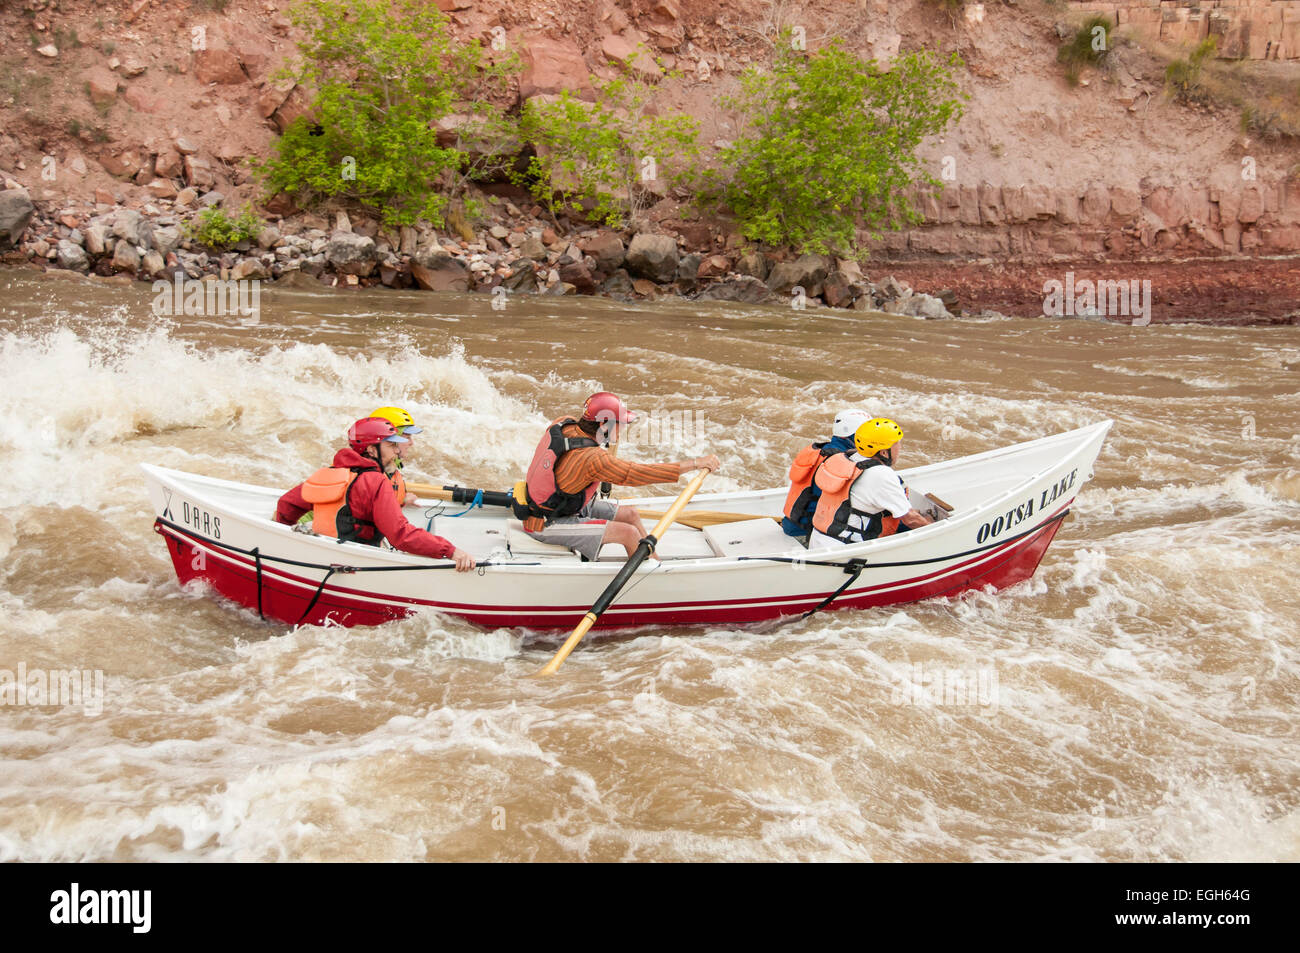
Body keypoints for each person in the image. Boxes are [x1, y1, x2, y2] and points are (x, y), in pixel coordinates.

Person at [514, 391, 720, 560]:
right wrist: (695, 464)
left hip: (558, 505)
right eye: (620, 423)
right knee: (628, 533)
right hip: (544, 525)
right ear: (604, 425)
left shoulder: (564, 424)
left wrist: (606, 436)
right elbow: (638, 474)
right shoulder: (593, 459)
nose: (623, 429)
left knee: (630, 514)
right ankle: (651, 581)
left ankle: (653, 560)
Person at [275, 416, 475, 571]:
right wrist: (450, 551)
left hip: (322, 559)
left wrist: (290, 541)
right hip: (356, 564)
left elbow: (286, 506)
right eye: (391, 445)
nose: (397, 451)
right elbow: (400, 535)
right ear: (371, 450)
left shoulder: (328, 473)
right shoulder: (376, 481)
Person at [807, 417, 932, 551]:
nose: (900, 448)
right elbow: (910, 520)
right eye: (897, 444)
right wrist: (933, 528)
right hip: (845, 552)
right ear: (884, 452)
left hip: (818, 541)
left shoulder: (848, 459)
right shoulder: (881, 474)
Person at [781, 408, 871, 544]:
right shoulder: (841, 462)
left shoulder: (821, 451)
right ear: (854, 434)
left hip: (792, 524)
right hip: (807, 533)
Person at [367, 406, 422, 505]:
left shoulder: (387, 469)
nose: (411, 443)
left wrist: (401, 498)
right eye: (407, 437)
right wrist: (400, 501)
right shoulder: (364, 474)